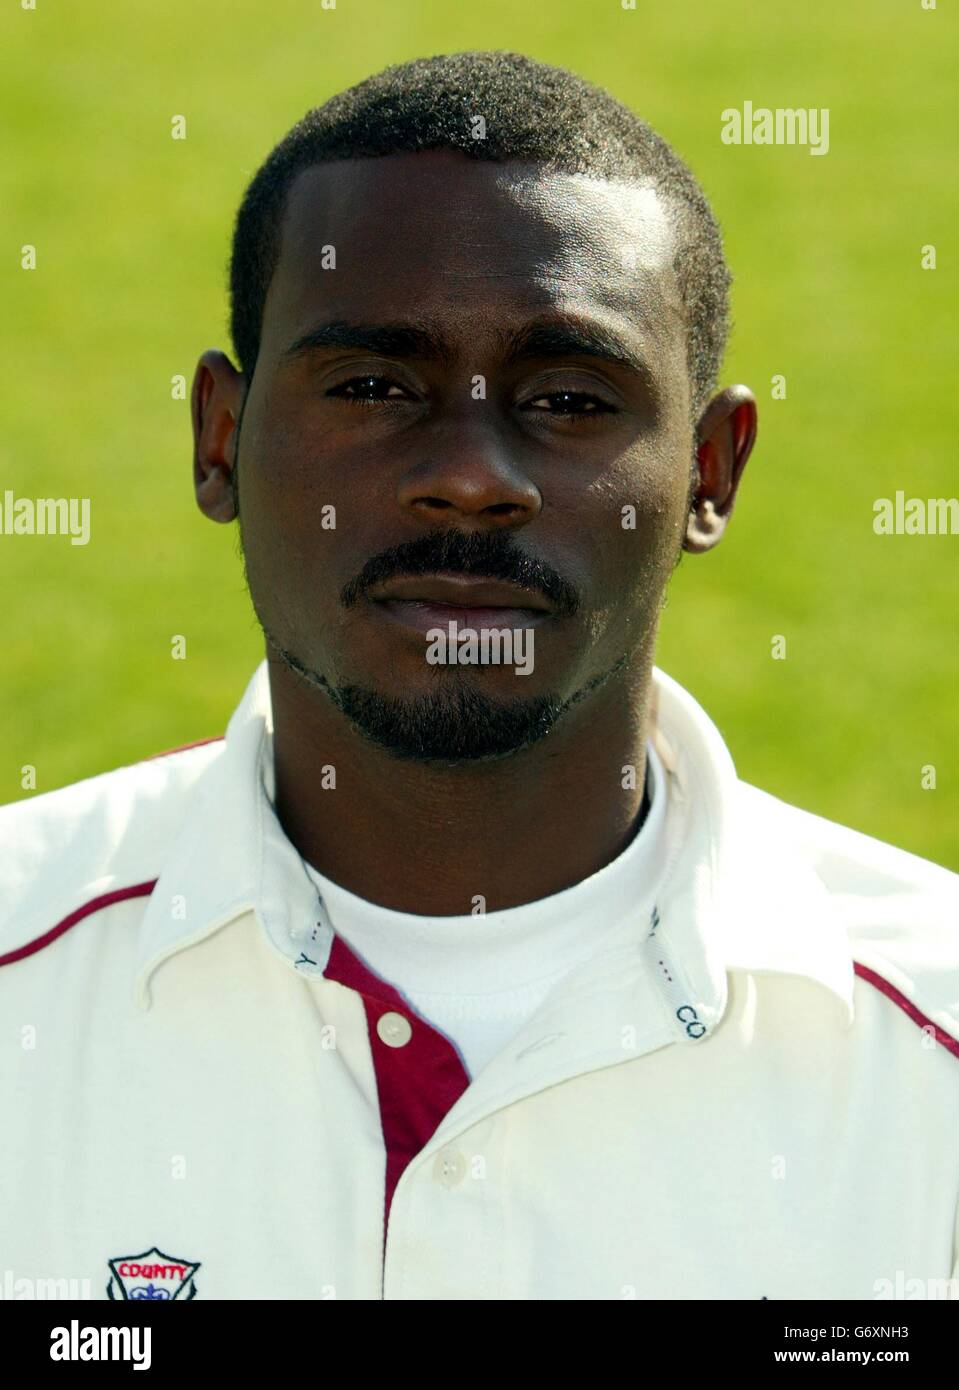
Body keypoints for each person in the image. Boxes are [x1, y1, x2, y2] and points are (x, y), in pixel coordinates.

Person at [2, 51, 957, 1302]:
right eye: (370, 384)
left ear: (711, 472)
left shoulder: (926, 1057)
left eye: (565, 397)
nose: (469, 475)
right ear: (221, 439)